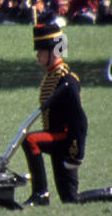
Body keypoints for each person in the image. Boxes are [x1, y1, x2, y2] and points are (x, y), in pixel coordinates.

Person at [21, 23, 87, 205]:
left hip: (66, 140)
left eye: (41, 51)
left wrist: (77, 152)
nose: (37, 55)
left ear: (53, 52)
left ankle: (40, 193)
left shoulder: (66, 79)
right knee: (70, 199)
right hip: (55, 136)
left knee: (30, 140)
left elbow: (79, 120)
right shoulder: (52, 76)